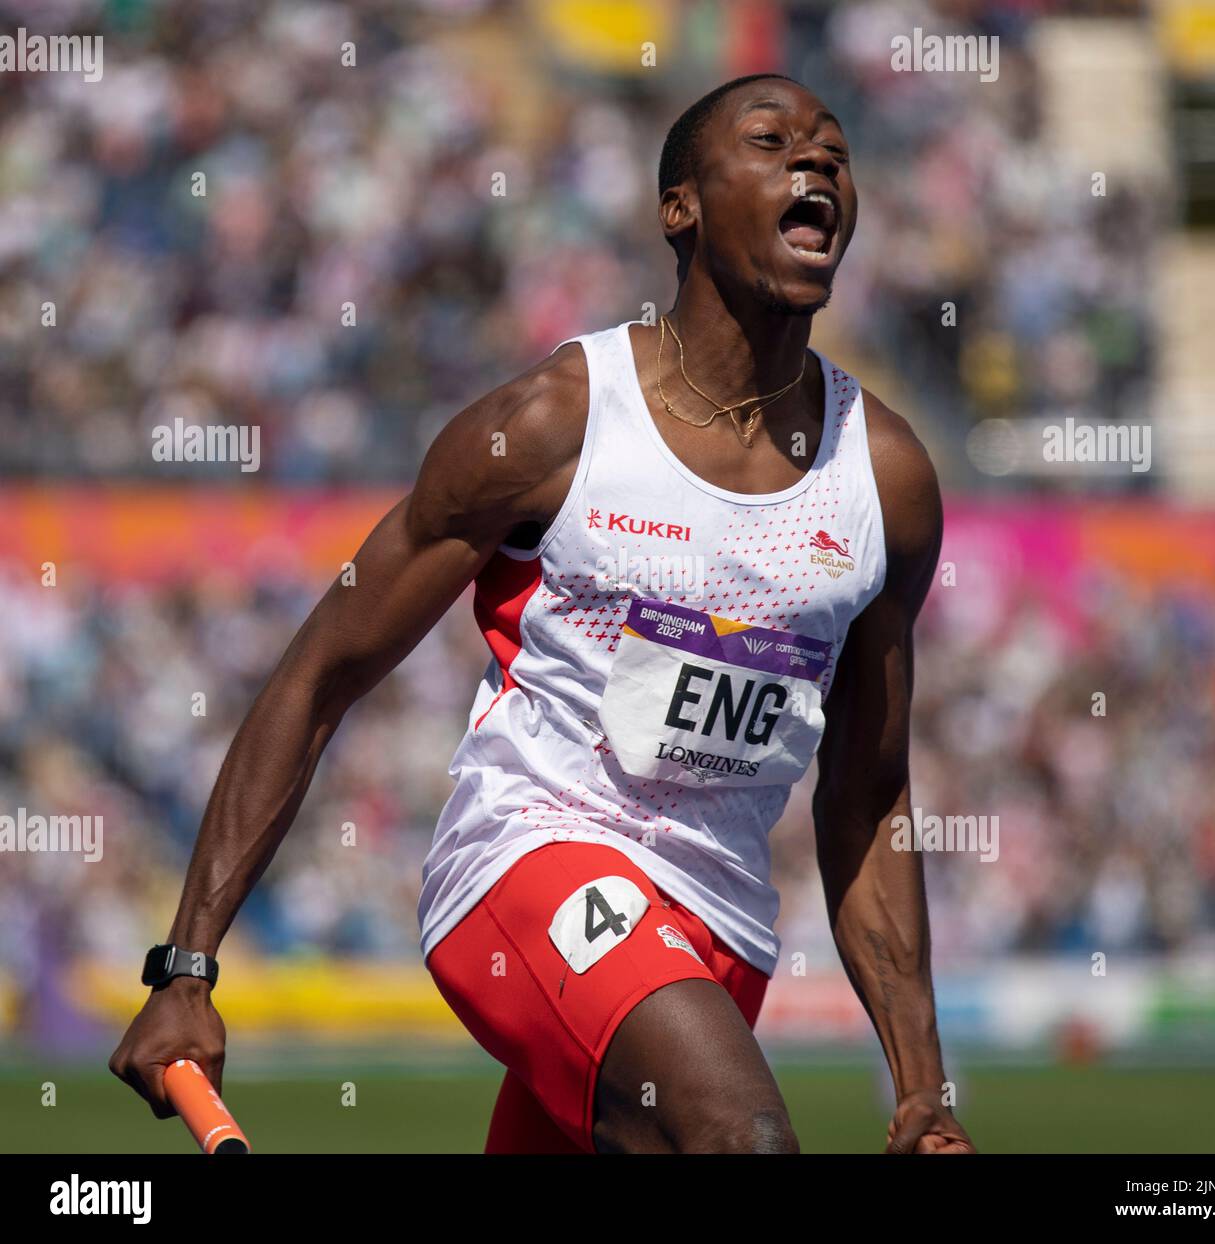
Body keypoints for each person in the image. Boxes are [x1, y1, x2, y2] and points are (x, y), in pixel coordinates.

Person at [111, 73, 974, 1155]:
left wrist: (923, 1093)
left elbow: (868, 794)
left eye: (835, 154)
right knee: (744, 1138)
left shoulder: (884, 476)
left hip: (719, 926)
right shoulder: (556, 422)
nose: (816, 166)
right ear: (681, 207)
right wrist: (187, 965)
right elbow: (318, 674)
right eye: (771, 142)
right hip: (530, 856)